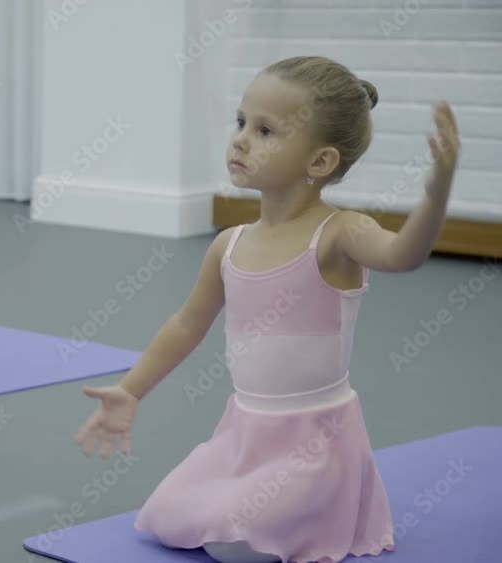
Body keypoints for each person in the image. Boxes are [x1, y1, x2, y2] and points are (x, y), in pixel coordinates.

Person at [74, 56, 460, 563]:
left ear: (319, 162)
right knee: (169, 518)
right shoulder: (229, 244)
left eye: (265, 131)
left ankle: (304, 509)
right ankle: (247, 503)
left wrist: (434, 197)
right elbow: (187, 324)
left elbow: (402, 256)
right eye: (240, 123)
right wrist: (130, 389)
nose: (239, 140)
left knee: (237, 545)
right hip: (244, 438)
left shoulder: (340, 233)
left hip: (315, 446)